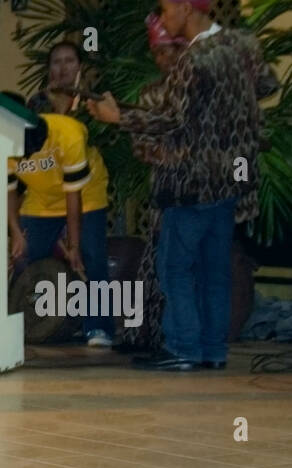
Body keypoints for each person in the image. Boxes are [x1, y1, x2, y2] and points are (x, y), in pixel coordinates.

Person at [87, 0, 278, 371]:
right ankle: (212, 351)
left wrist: (117, 115)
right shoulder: (245, 45)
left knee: (175, 268)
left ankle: (183, 349)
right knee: (214, 270)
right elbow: (267, 85)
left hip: (191, 183)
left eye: (164, 9)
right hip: (230, 181)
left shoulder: (193, 60)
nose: (161, 17)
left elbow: (172, 120)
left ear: (185, 7)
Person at [6, 112, 114, 346]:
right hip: (41, 199)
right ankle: (29, 323)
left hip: (86, 194)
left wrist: (73, 246)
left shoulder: (69, 134)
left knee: (91, 256)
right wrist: (15, 232)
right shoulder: (3, 138)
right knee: (24, 257)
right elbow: (9, 191)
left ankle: (99, 327)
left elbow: (73, 197)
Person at [120, 12, 189, 354]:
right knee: (153, 266)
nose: (165, 59)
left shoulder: (197, 89)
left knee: (176, 268)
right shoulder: (149, 94)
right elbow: (140, 144)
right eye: (159, 53)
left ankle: (174, 341)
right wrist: (173, 155)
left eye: (171, 51)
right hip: (163, 191)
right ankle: (138, 336)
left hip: (197, 194)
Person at [27, 41, 83, 116]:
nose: (63, 67)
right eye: (57, 62)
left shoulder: (88, 101)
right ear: (49, 68)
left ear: (80, 66)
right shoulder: (38, 100)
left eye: (69, 61)